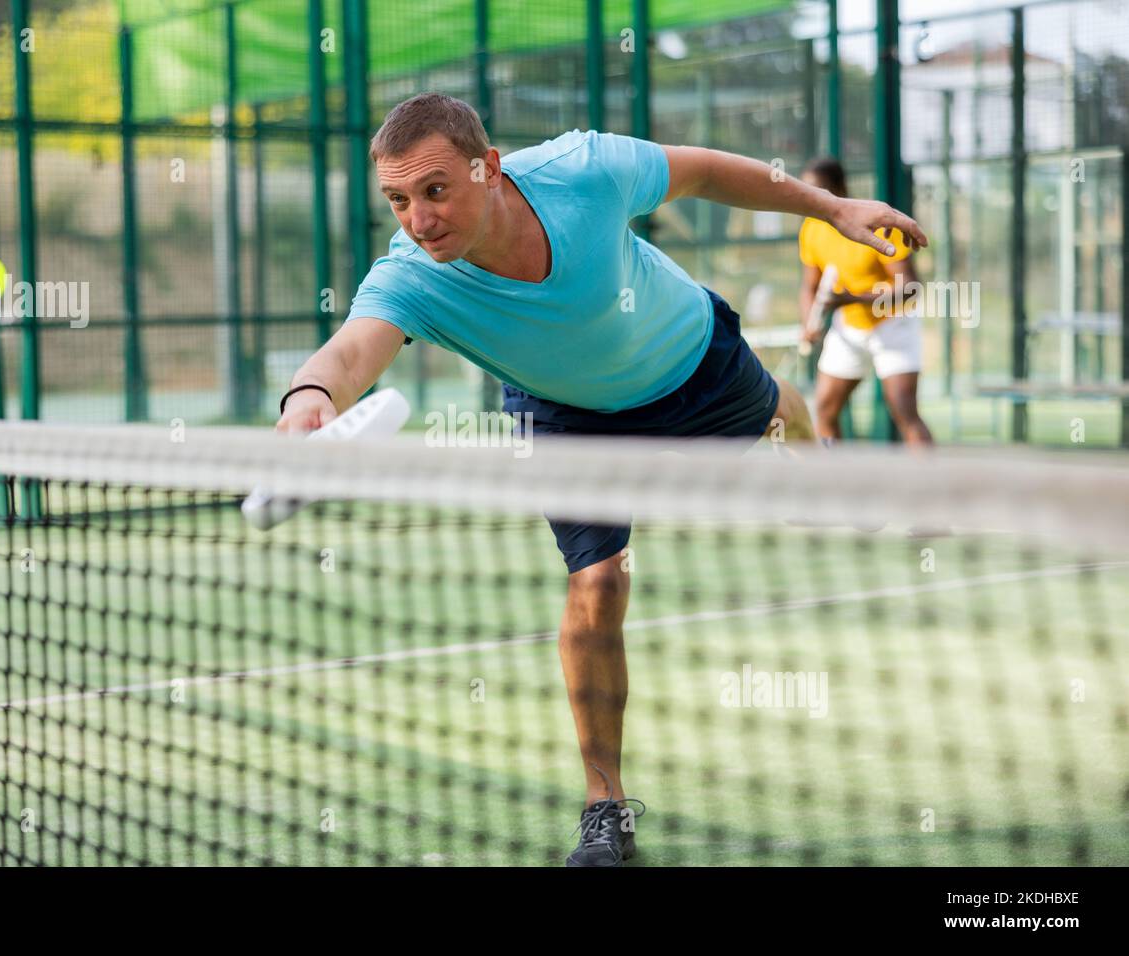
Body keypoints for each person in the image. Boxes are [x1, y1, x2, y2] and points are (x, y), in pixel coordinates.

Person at [276, 93, 927, 866]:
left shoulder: (579, 170)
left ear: (487, 169)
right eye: (399, 200)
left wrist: (831, 207)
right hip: (566, 413)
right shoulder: (413, 276)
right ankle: (605, 806)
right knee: (597, 583)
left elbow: (708, 172)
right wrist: (307, 397)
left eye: (436, 190)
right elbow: (350, 353)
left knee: (773, 414)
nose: (419, 218)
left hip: (691, 359)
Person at [798, 157, 933, 445]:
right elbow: (809, 286)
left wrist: (851, 298)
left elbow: (910, 288)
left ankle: (933, 486)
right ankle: (835, 482)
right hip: (849, 326)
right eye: (806, 190)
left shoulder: (877, 224)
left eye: (818, 190)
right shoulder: (811, 229)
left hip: (893, 322)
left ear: (839, 188)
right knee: (823, 409)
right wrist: (808, 322)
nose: (811, 198)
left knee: (904, 409)